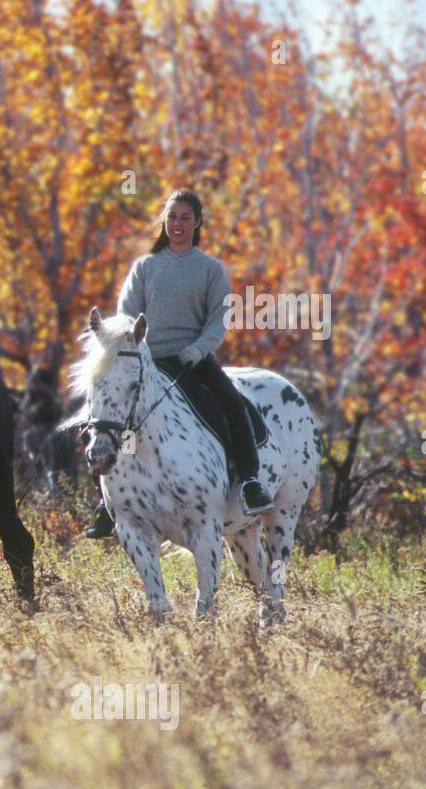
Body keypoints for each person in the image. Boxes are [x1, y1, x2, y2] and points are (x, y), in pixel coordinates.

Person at [85, 189, 274, 538]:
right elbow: (127, 316)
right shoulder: (144, 267)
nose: (178, 224)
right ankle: (107, 502)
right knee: (110, 414)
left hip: (193, 362)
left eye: (185, 218)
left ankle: (249, 480)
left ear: (198, 222)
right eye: (172, 217)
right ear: (164, 221)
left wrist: (199, 349)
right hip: (146, 362)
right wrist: (134, 350)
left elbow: (220, 318)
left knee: (232, 404)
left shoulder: (210, 269)